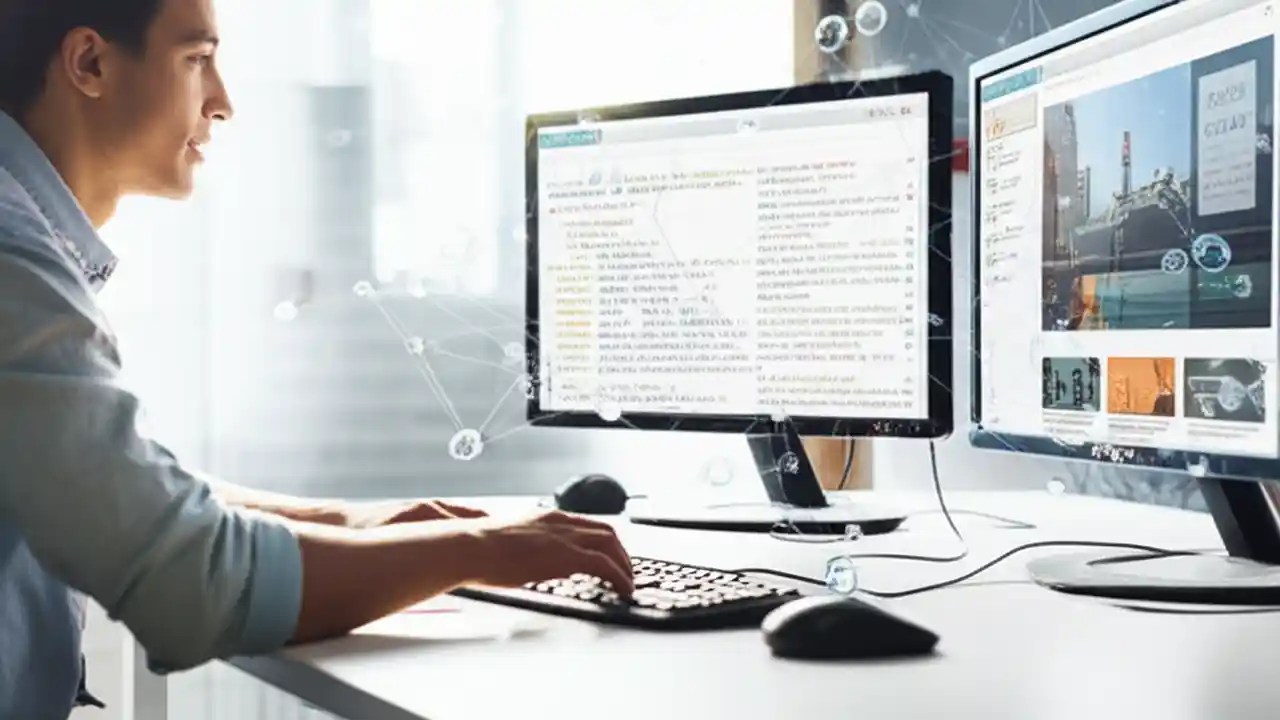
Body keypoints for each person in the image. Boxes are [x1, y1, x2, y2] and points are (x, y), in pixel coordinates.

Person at [0, 1, 634, 717]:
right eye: (196, 59)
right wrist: (484, 549)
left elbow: (112, 479)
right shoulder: (11, 253)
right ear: (89, 63)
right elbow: (190, 586)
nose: (223, 101)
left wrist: (350, 520)